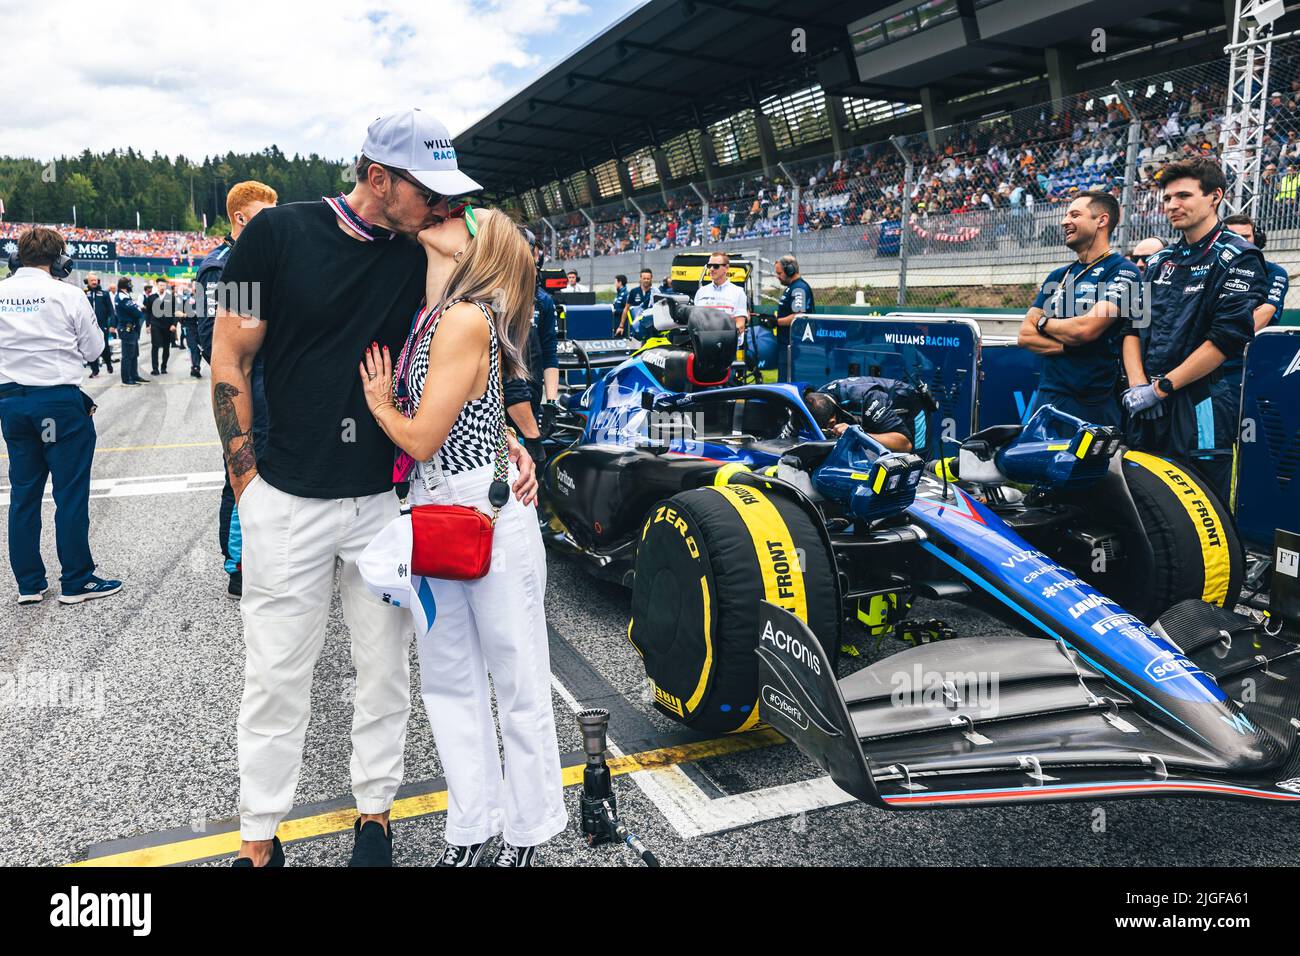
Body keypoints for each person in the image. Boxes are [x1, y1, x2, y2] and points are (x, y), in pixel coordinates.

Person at [210, 108, 535, 868]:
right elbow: (230, 360)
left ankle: (375, 818)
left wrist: (509, 442)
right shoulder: (272, 237)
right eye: (433, 191)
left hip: (386, 506)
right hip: (285, 497)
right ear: (379, 178)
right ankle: (259, 839)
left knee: (385, 669)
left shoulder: (425, 246)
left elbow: (471, 355)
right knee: (275, 674)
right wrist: (248, 484)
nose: (447, 206)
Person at [360, 205, 565, 868]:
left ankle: (528, 832)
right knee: (447, 681)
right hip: (440, 507)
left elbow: (422, 437)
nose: (443, 214)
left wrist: (383, 406)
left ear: (482, 248)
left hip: (485, 506)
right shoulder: (434, 314)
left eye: (460, 217)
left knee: (518, 679)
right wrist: (510, 438)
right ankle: (473, 825)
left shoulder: (466, 317)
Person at [1122, 159, 1265, 503]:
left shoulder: (1238, 257)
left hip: (1199, 403)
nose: (1172, 205)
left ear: (1215, 196)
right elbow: (1131, 326)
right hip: (1146, 405)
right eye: (1168, 198)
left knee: (1202, 508)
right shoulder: (1159, 260)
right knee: (1142, 503)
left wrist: (1162, 389)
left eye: (1183, 195)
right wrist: (1140, 385)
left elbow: (1226, 338)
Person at [0, 228, 122, 604]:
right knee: (69, 493)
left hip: (11, 403)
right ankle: (76, 579)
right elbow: (94, 349)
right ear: (60, 262)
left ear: (17, 258)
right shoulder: (67, 293)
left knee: (23, 494)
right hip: (56, 403)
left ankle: (29, 584)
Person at [196, 180, 278, 599]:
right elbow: (214, 337)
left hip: (275, 384)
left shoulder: (266, 257)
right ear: (240, 218)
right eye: (266, 215)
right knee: (242, 469)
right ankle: (239, 568)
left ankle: (270, 556)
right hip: (250, 385)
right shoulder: (226, 263)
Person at [1017, 191, 1141, 427]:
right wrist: (1068, 347)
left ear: (1101, 221)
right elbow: (1025, 335)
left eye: (1075, 214)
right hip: (1047, 398)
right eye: (1065, 215)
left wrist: (1044, 323)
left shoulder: (1124, 270)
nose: (1065, 221)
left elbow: (1086, 329)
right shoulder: (1058, 275)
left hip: (1093, 403)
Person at [1217, 213, 1288, 504]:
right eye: (1231, 235)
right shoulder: (1214, 269)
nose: (1238, 242)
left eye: (1245, 236)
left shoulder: (1273, 271)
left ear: (1256, 239)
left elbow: (1259, 318)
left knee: (1261, 450)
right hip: (1214, 371)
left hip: (1256, 374)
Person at [504, 228, 559, 467]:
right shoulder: (496, 297)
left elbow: (550, 353)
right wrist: (532, 434)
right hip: (502, 401)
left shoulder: (544, 301)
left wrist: (551, 402)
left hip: (532, 394)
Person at [803, 378, 918, 452]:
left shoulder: (870, 398)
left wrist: (857, 434)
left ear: (832, 422)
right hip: (873, 418)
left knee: (919, 464)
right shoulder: (816, 399)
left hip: (911, 408)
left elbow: (905, 444)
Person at [773, 254, 814, 380]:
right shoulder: (792, 288)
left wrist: (775, 322)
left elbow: (798, 317)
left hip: (793, 346)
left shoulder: (798, 288)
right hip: (787, 344)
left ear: (790, 270)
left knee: (787, 381)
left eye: (779, 273)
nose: (777, 277)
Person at [693, 251, 748, 333]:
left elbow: (740, 324)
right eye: (709, 266)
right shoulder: (701, 291)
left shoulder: (738, 292)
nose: (711, 269)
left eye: (715, 266)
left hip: (726, 342)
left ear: (726, 268)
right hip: (703, 342)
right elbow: (695, 321)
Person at [111, 277, 148, 385]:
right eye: (129, 284)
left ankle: (134, 375)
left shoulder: (125, 296)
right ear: (124, 286)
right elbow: (137, 312)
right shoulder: (123, 298)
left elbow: (137, 310)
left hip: (132, 329)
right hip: (127, 329)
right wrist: (138, 310)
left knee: (134, 354)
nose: (131, 286)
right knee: (127, 355)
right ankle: (126, 378)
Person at [84, 272, 115, 378]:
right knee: (91, 348)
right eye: (92, 280)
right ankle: (95, 370)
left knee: (104, 346)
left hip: (102, 325)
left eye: (95, 280)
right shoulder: (84, 293)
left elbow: (111, 310)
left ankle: (109, 364)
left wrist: (112, 325)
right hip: (88, 326)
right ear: (87, 281)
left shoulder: (104, 294)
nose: (94, 282)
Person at [148, 278, 175, 374]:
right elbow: (148, 312)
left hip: (167, 326)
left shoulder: (171, 297)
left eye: (164, 285)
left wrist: (173, 324)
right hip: (155, 325)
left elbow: (174, 312)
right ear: (157, 285)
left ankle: (164, 367)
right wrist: (148, 325)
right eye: (160, 285)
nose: (162, 287)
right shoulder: (151, 297)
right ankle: (155, 368)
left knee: (166, 347)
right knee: (155, 346)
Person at [617, 268, 654, 336]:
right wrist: (621, 326)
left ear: (651, 279)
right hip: (636, 328)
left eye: (648, 279)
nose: (646, 280)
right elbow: (626, 309)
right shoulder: (634, 291)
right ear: (640, 279)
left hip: (651, 328)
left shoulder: (655, 292)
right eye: (644, 278)